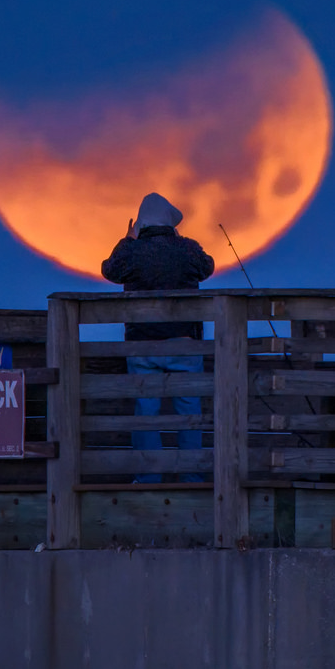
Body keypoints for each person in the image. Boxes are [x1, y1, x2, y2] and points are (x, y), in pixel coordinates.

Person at [101, 192, 216, 482]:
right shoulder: (186, 250)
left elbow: (109, 269)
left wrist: (127, 239)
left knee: (146, 413)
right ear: (170, 223)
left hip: (143, 345)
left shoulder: (132, 252)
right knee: (189, 411)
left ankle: (148, 478)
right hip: (184, 343)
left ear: (141, 225)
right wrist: (181, 241)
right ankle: (192, 478)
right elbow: (208, 266)